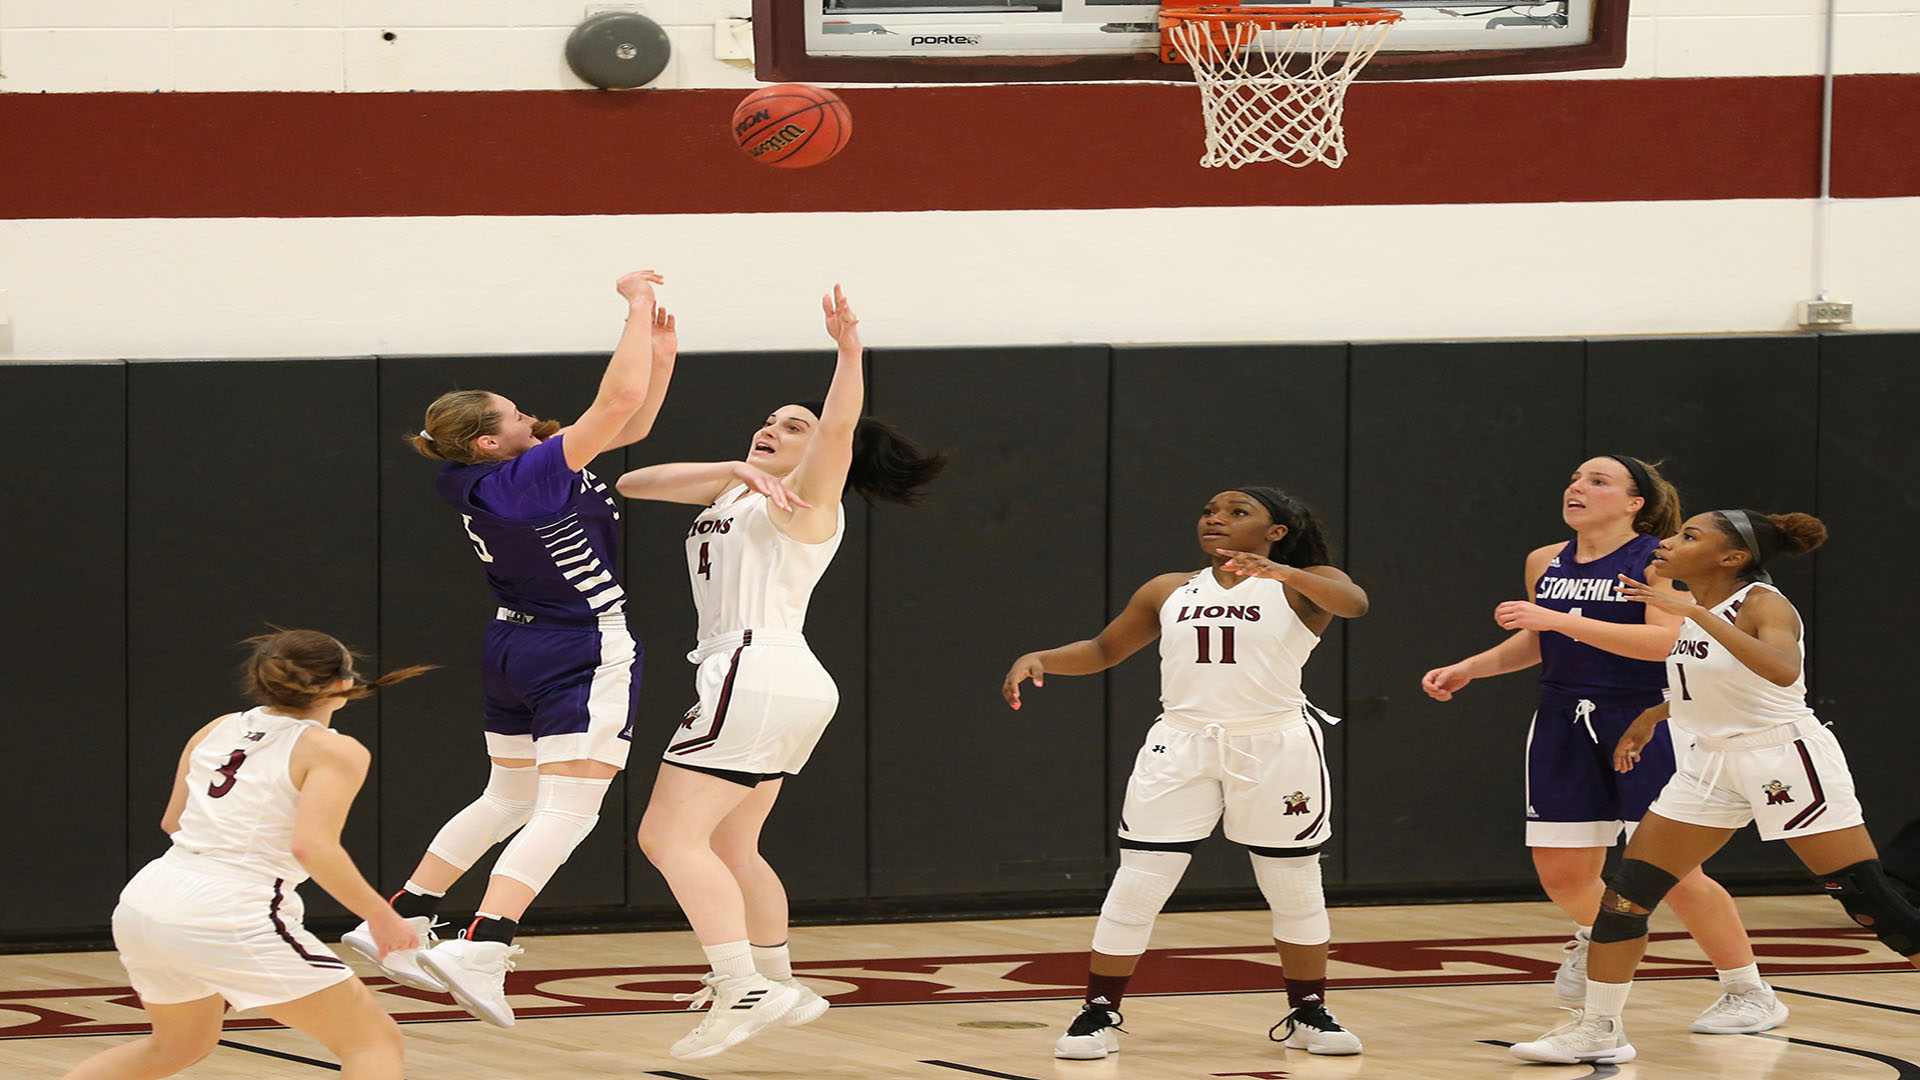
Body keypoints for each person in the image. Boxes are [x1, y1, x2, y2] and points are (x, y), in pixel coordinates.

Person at [340, 270, 675, 1028]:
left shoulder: (478, 476)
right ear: (491, 441)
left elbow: (627, 423)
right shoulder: (528, 480)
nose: (531, 415)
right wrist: (634, 307)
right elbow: (616, 402)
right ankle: (483, 944)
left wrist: (659, 356)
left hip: (515, 645)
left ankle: (401, 915)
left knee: (510, 797)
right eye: (516, 414)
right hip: (581, 645)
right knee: (570, 809)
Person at [618, 285, 944, 1060]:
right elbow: (633, 483)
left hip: (755, 670)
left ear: (821, 446)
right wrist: (735, 464)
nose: (772, 428)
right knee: (734, 847)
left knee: (666, 837)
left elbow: (839, 429)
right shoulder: (735, 488)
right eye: (768, 420)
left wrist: (849, 353)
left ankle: (742, 985)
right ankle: (779, 982)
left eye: (794, 425)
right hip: (775, 682)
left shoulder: (809, 499)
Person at [1512, 509, 1920, 1064]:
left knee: (1869, 902)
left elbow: (1781, 669)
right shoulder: (1695, 606)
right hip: (1710, 762)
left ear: (1731, 558)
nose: (1670, 542)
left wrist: (1696, 615)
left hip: (1782, 759)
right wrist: (1652, 717)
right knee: (1626, 896)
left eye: (1689, 536)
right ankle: (1599, 1029)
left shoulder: (1762, 603)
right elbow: (1708, 682)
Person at [1002, 487, 1370, 1060]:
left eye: (1237, 512)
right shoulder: (1168, 589)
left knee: (1293, 884)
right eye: (1209, 511)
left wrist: (1282, 571)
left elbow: (1355, 604)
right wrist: (1042, 659)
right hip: (1180, 743)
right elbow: (1102, 649)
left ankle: (1308, 1013)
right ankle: (1097, 1014)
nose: (1215, 519)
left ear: (1275, 532)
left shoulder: (1306, 582)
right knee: (1139, 881)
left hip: (1275, 745)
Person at [1420, 456, 1778, 1033]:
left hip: (1644, 720)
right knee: (1561, 873)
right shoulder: (1545, 561)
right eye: (1574, 479)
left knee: (1675, 873)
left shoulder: (1659, 559)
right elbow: (1537, 640)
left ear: (1636, 503)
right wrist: (1470, 667)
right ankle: (1599, 936)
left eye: (1597, 481)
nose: (1577, 487)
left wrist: (1559, 621)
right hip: (1563, 719)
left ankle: (1748, 990)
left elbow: (1664, 642)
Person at [62, 630, 432, 1080]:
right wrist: (381, 915)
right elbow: (312, 846)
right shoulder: (333, 749)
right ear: (341, 684)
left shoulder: (217, 728)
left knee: (175, 1047)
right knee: (372, 1042)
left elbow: (173, 821)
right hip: (232, 909)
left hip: (148, 900)